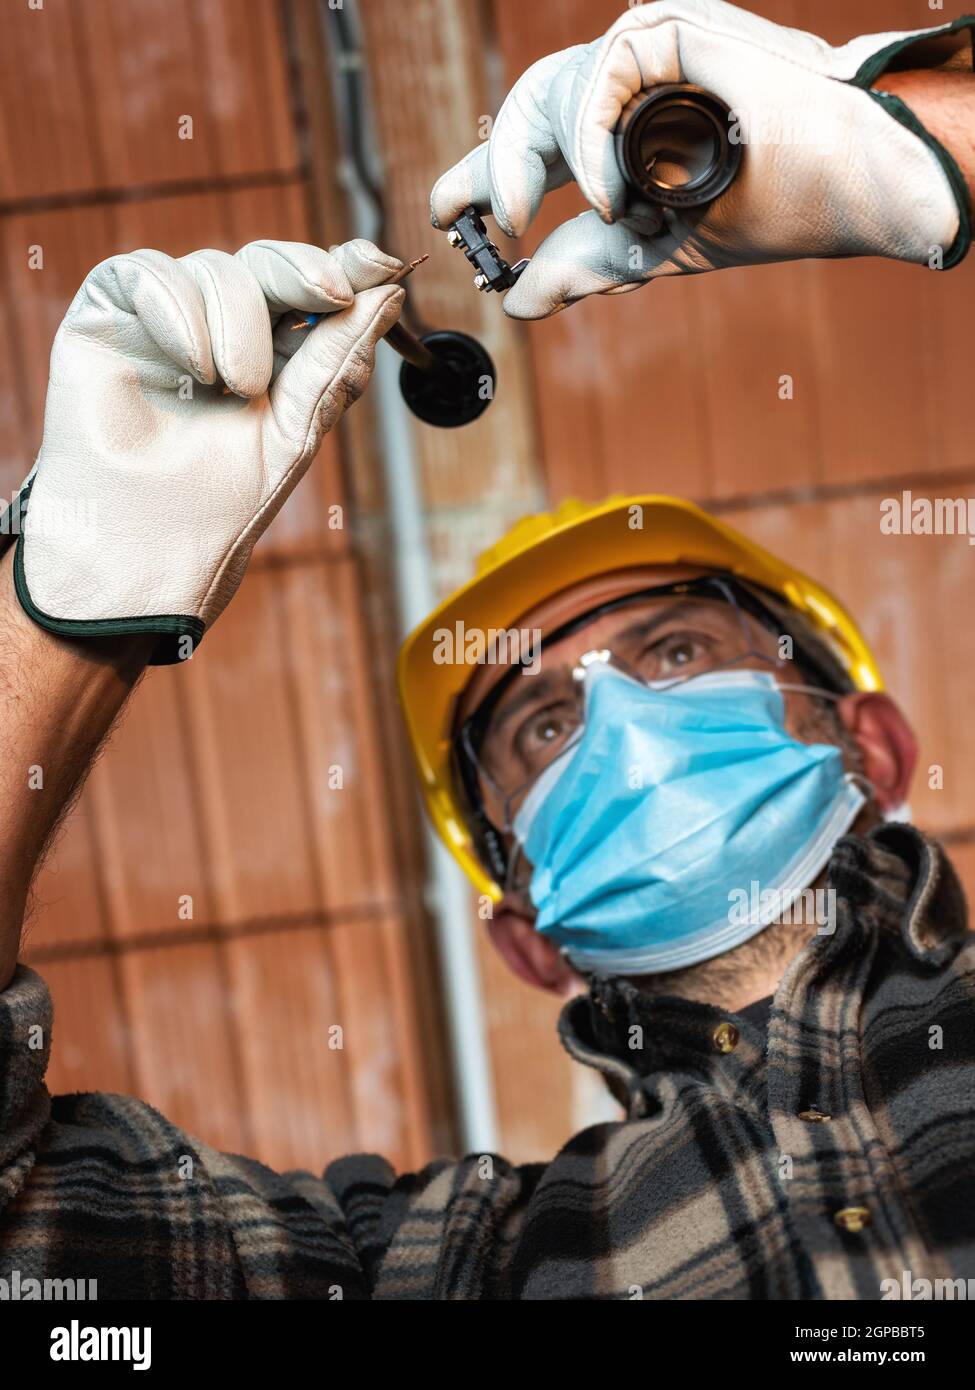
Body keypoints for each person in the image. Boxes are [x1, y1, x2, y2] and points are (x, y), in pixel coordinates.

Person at [0, 1, 973, 1300]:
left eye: (675, 649)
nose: (621, 714)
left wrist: (931, 143)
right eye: (546, 725)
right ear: (523, 929)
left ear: (875, 739)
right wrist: (63, 620)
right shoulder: (454, 1275)